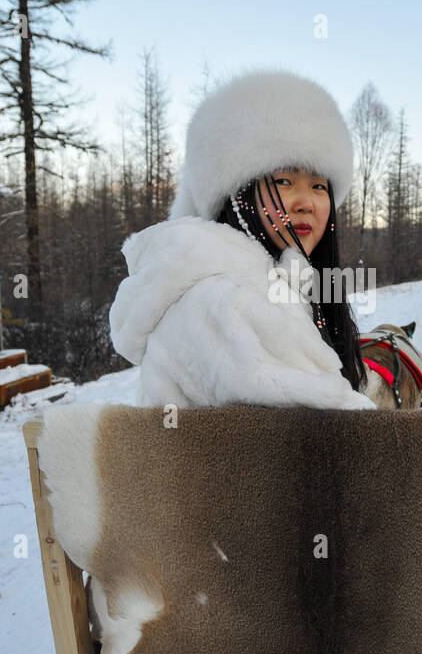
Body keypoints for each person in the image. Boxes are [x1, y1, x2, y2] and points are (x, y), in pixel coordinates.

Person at [108, 68, 375, 411]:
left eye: (319, 186)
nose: (306, 202)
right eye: (283, 181)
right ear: (238, 196)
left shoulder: (281, 289)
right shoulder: (228, 305)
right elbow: (335, 444)